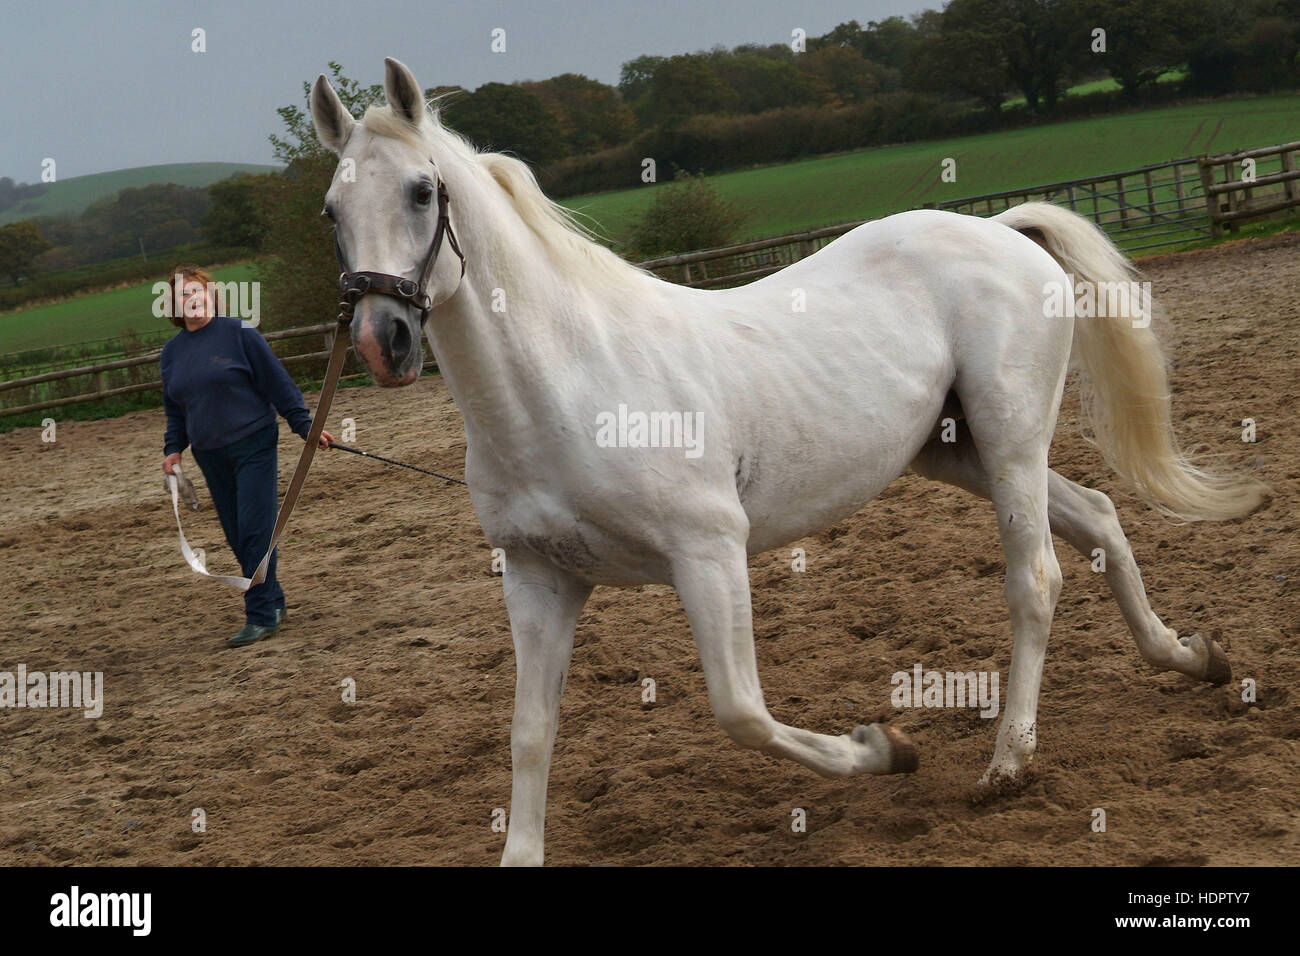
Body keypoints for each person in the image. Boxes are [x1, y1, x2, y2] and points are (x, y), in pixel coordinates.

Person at [159, 264, 334, 648]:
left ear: (210, 294)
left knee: (256, 529)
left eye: (195, 291)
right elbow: (176, 409)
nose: (190, 299)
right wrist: (173, 450)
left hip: (254, 442)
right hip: (209, 455)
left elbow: (277, 382)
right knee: (238, 535)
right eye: (181, 295)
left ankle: (259, 615)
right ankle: (274, 601)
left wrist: (303, 425)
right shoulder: (172, 354)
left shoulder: (239, 334)